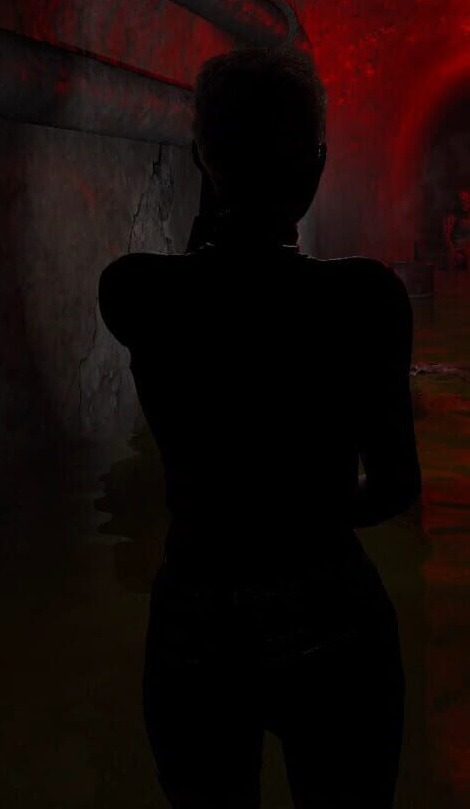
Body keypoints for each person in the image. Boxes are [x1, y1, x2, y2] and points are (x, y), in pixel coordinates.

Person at [97, 47, 418, 809]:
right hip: (333, 619)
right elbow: (395, 487)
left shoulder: (136, 292)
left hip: (196, 628)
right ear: (316, 168)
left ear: (202, 159)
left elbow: (201, 280)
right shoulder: (366, 301)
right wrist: (306, 509)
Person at [440, 188, 470, 270]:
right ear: (458, 201)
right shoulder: (452, 216)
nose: (465, 202)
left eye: (467, 199)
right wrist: (453, 251)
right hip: (454, 247)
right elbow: (446, 235)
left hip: (468, 247)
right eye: (462, 200)